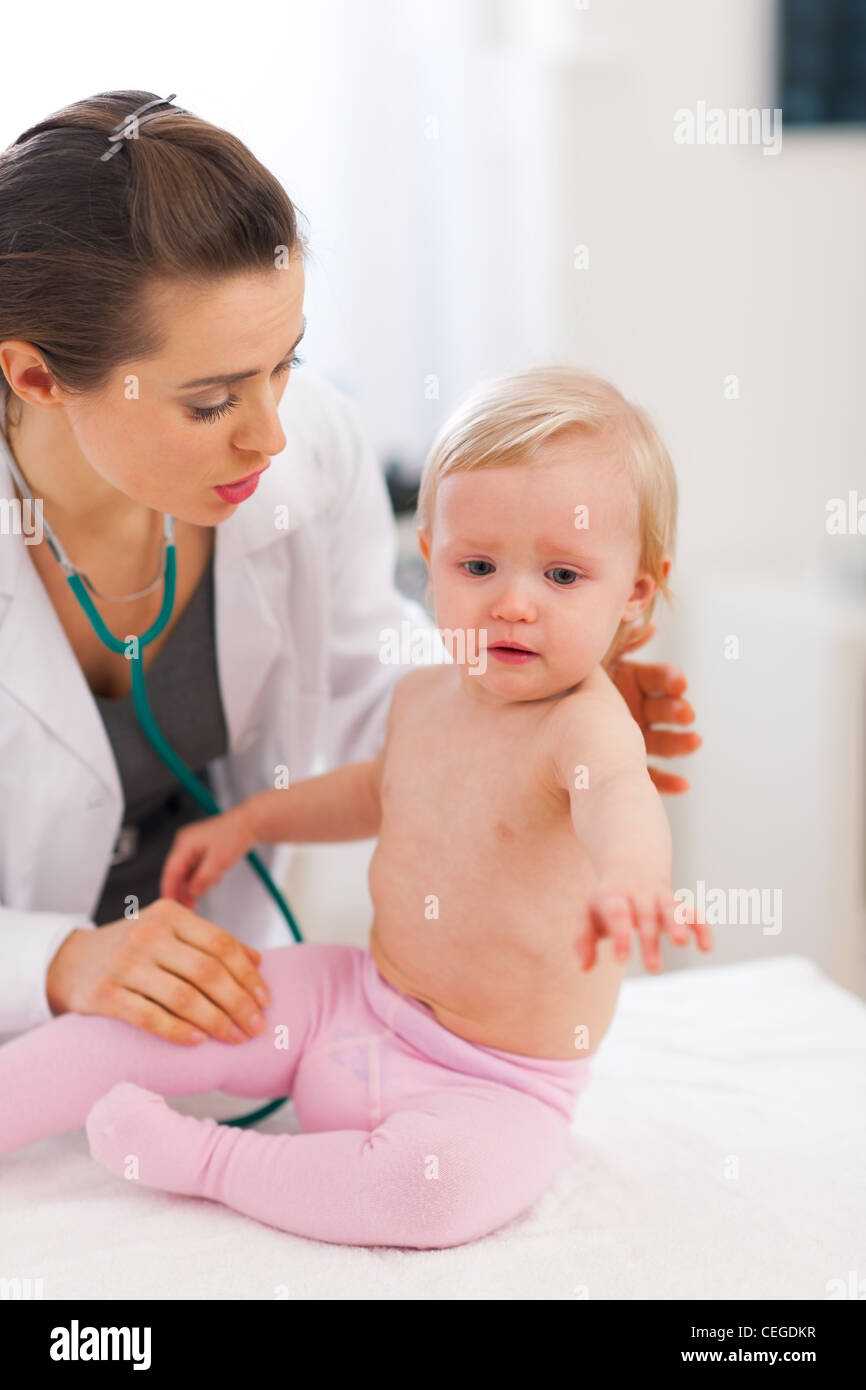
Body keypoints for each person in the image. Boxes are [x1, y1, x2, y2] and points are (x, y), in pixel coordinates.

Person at [0, 91, 700, 1048]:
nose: (271, 433)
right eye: (209, 402)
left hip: (214, 1009)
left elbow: (374, 693)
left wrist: (519, 708)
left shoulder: (310, 452)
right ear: (36, 376)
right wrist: (56, 960)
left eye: (283, 365)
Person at [0, 364, 710, 1250]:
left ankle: (205, 1161)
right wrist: (253, 822)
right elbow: (375, 791)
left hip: (495, 1084)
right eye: (478, 565)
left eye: (564, 576)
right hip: (357, 1000)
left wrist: (633, 877)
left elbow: (618, 799)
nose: (513, 602)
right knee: (161, 1014)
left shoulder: (585, 727)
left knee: (430, 1195)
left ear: (635, 594)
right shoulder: (427, 694)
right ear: (432, 561)